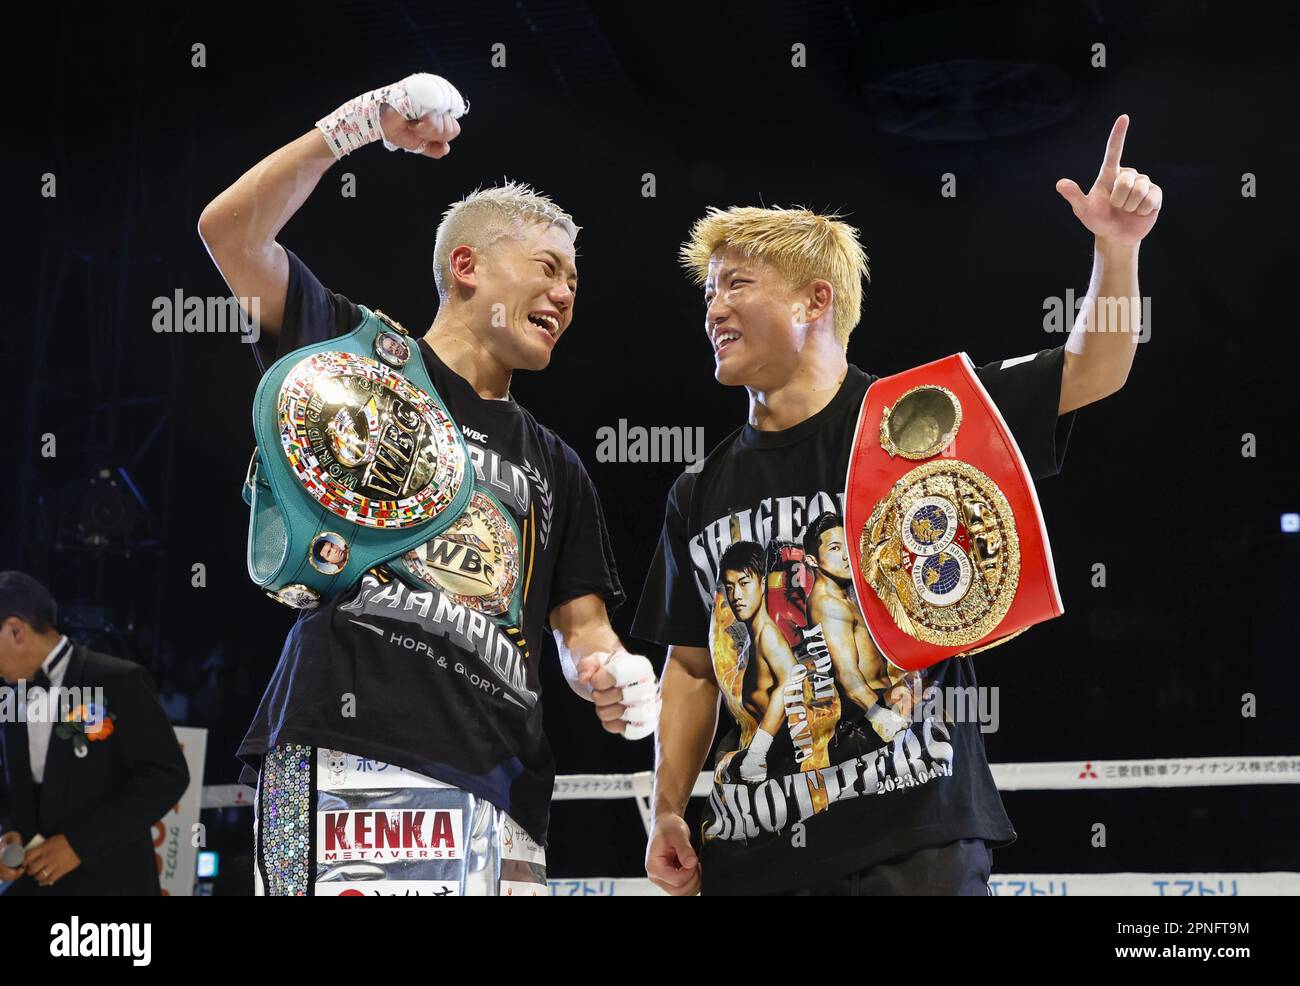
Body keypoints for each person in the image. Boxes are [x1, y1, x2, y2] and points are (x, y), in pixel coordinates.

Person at [635, 115, 1158, 895]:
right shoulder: (697, 489)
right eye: (708, 293)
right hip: (750, 858)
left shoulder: (922, 422)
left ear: (815, 300)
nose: (712, 309)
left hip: (911, 842)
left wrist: (1117, 249)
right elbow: (689, 668)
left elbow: (1096, 367)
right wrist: (668, 809)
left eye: (736, 285)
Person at [198, 73, 656, 896]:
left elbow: (583, 629)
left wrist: (617, 674)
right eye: (549, 268)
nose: (565, 294)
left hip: (506, 787)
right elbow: (230, 231)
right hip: (344, 749)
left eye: (574, 284)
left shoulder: (558, 465)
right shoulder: (357, 358)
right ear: (467, 265)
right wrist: (359, 124)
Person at [0, 572, 189, 896]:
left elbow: (165, 776)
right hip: (32, 885)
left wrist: (79, 845)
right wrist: (7, 831)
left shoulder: (119, 679)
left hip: (110, 886)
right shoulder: (10, 697)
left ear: (15, 630)